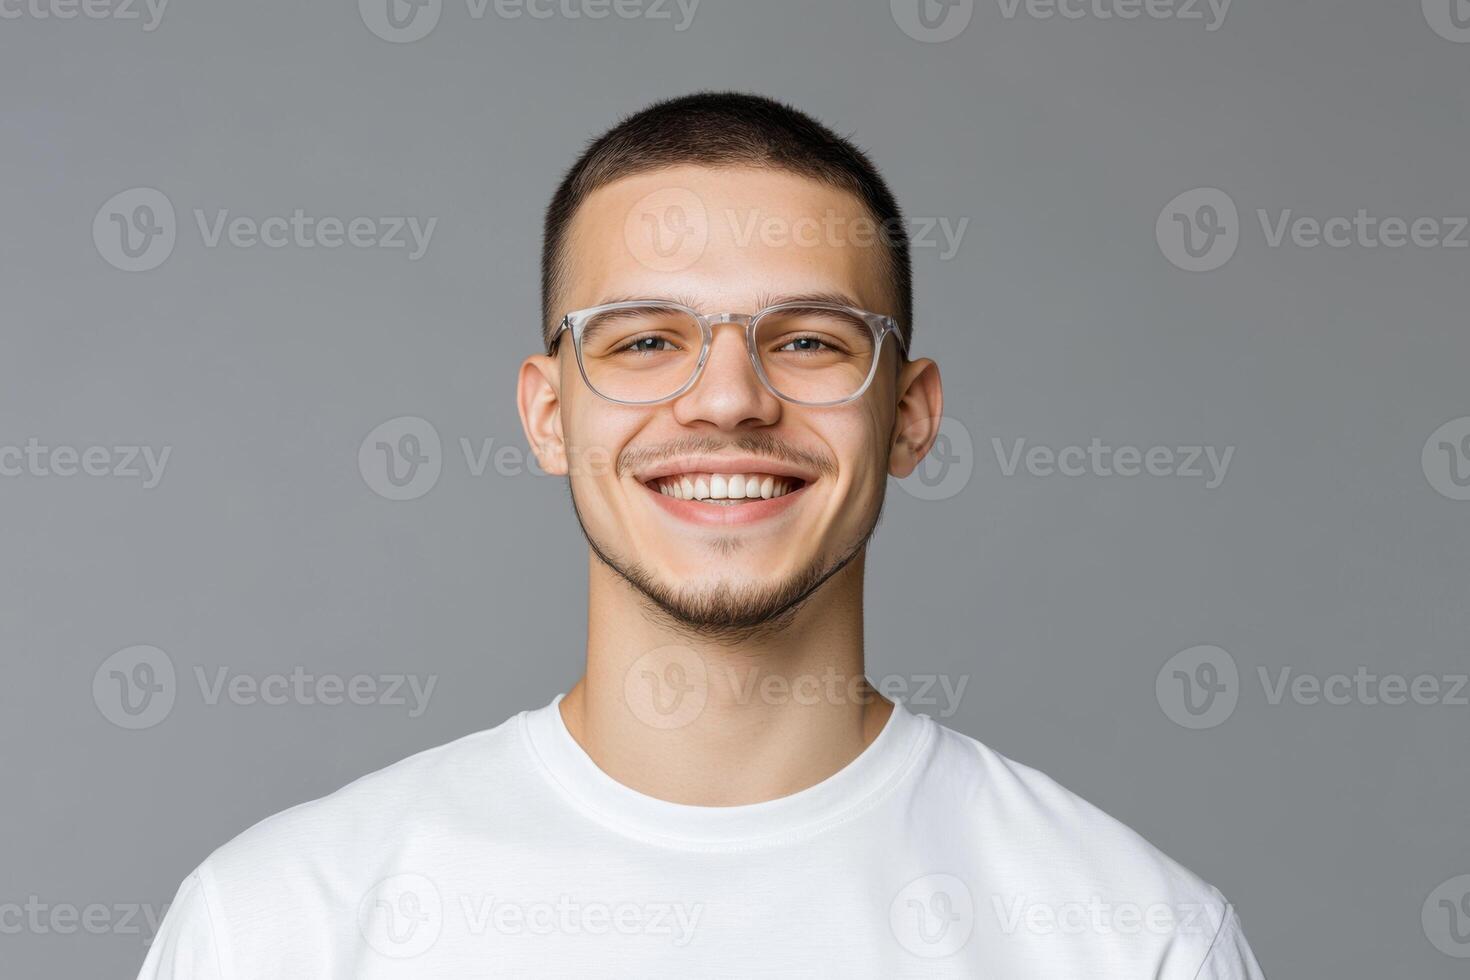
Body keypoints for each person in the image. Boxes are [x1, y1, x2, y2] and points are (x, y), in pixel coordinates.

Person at [139, 91, 1265, 978]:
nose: (727, 397)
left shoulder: (1133, 940)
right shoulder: (275, 928)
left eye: (812, 341)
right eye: (643, 342)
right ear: (546, 412)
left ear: (910, 414)